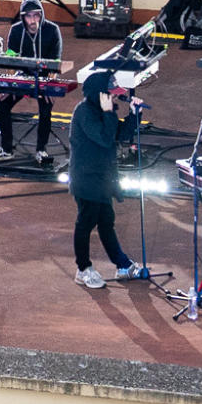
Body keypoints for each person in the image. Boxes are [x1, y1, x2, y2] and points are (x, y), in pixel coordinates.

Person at [68, 65, 150, 289]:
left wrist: (134, 115)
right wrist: (108, 113)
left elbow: (119, 135)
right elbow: (104, 138)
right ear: (99, 94)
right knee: (86, 222)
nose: (115, 98)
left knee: (106, 222)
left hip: (102, 178)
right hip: (86, 179)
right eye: (111, 94)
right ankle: (83, 269)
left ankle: (122, 265)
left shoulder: (104, 111)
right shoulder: (84, 112)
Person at [0, 0, 65, 157]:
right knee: (3, 105)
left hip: (44, 79)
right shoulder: (16, 30)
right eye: (29, 16)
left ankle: (41, 150)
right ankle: (6, 149)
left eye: (36, 15)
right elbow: (11, 59)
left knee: (45, 108)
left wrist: (49, 86)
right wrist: (10, 84)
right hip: (22, 77)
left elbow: (56, 62)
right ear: (23, 17)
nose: (33, 20)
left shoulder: (53, 30)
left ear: (41, 15)